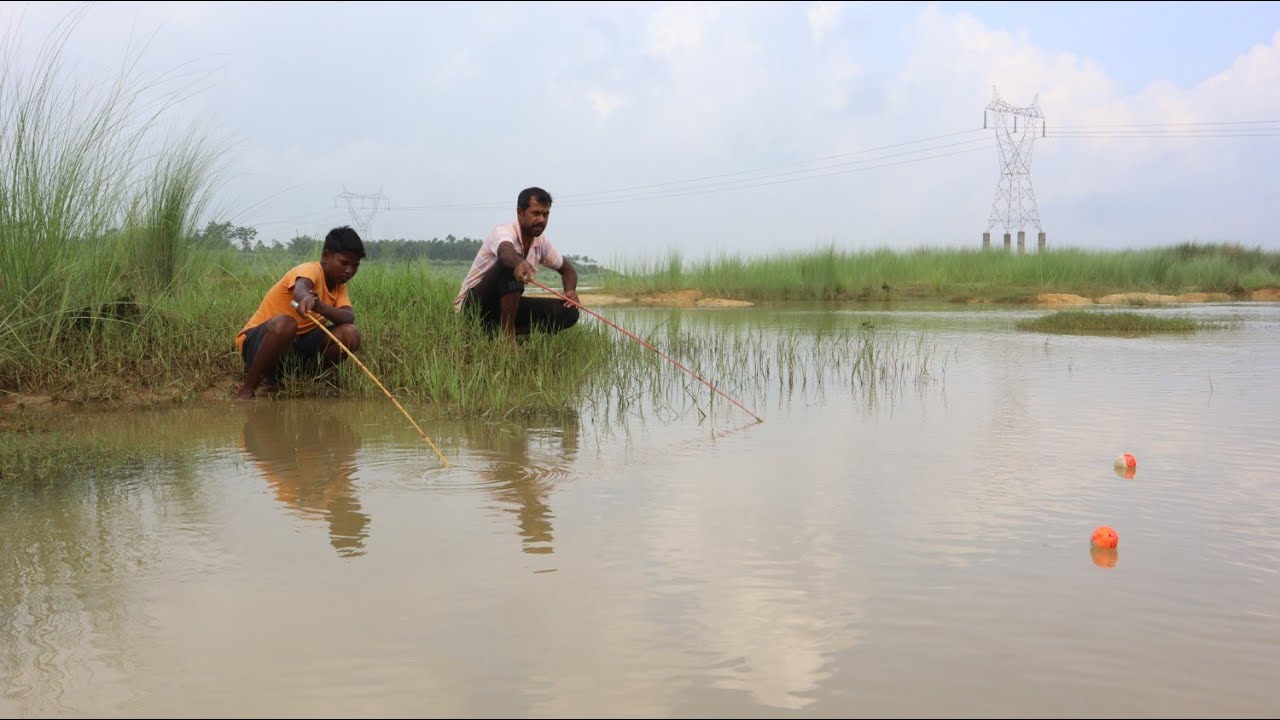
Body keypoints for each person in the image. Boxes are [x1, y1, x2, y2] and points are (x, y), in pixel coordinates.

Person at [235, 226, 365, 400]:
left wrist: (320, 307)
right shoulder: (310, 270)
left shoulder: (339, 287)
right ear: (326, 256)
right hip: (259, 343)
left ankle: (300, 379)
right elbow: (301, 288)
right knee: (286, 324)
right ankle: (247, 390)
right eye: (344, 263)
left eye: (355, 265)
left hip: (296, 346)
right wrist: (306, 298)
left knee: (350, 333)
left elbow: (348, 316)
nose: (349, 270)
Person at [454, 187, 579, 346]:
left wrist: (570, 292)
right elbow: (505, 252)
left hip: (504, 307)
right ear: (520, 212)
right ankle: (507, 338)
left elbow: (568, 270)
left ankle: (496, 332)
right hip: (474, 305)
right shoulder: (503, 232)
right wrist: (519, 263)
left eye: (545, 214)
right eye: (536, 213)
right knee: (510, 264)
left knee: (569, 312)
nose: (541, 219)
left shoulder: (541, 243)